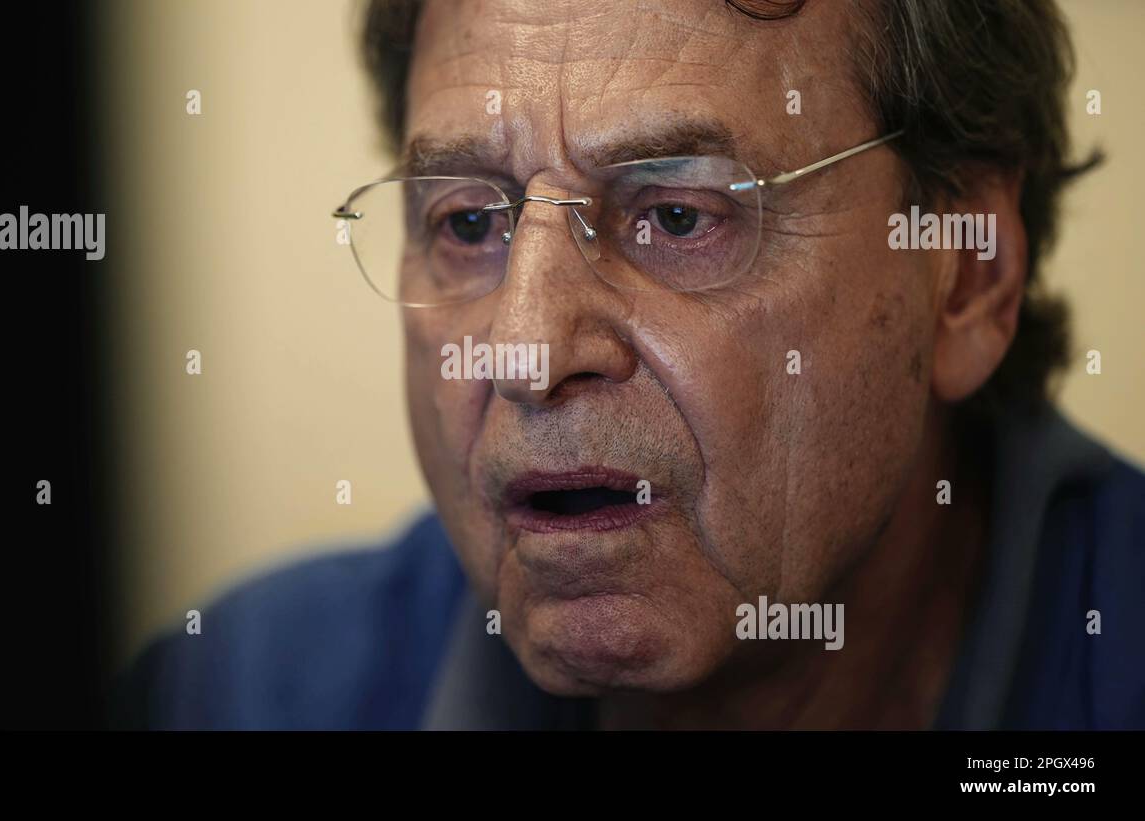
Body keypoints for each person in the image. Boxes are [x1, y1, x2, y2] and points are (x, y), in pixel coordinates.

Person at [118, 0, 1144, 730]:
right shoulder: (234, 691)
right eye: (468, 220)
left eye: (677, 216)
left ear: (964, 272)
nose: (526, 347)